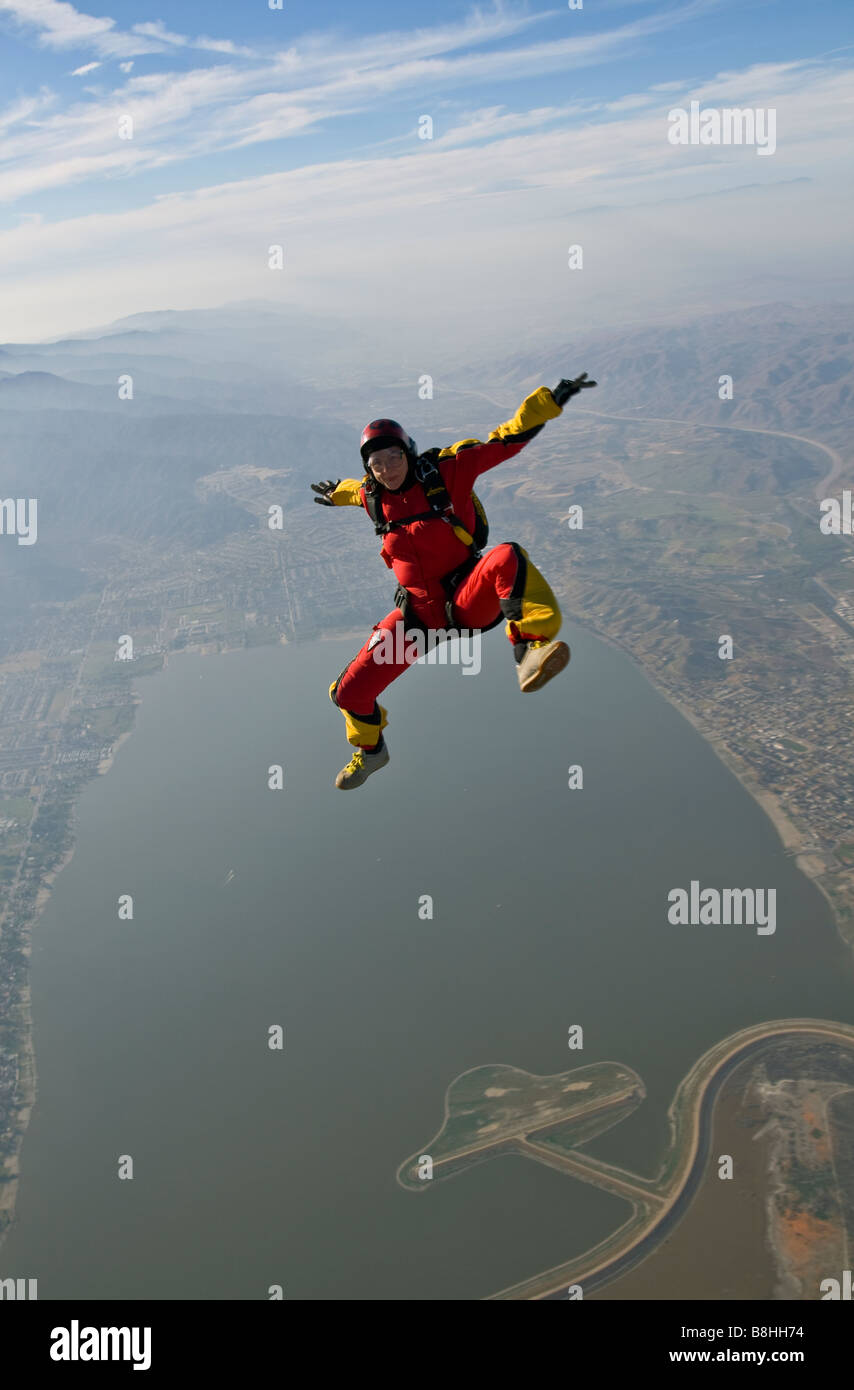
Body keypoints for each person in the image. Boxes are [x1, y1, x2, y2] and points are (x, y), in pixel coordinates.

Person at [312, 374, 596, 788]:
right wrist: (337, 491)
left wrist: (548, 401)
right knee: (347, 693)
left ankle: (531, 647)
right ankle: (371, 752)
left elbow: (505, 441)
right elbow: (354, 489)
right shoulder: (373, 495)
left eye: (394, 458)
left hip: (464, 602)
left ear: (408, 452)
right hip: (417, 621)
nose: (387, 470)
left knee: (507, 557)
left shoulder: (447, 471)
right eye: (377, 464)